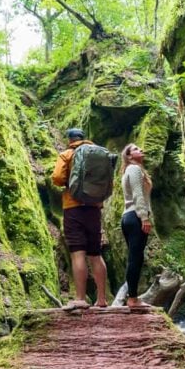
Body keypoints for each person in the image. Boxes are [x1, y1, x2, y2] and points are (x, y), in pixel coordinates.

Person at [51, 128, 109, 310]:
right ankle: (102, 299)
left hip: (73, 208)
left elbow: (57, 178)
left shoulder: (67, 154)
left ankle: (81, 298)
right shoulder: (100, 153)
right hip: (93, 208)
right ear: (84, 139)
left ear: (70, 140)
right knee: (96, 254)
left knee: (78, 253)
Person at [120, 143, 153, 308]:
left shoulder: (132, 170)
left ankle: (133, 297)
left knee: (136, 257)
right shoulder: (133, 169)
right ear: (129, 156)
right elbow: (138, 195)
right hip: (135, 216)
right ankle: (132, 299)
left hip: (130, 216)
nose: (141, 150)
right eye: (136, 149)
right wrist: (144, 217)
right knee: (135, 258)